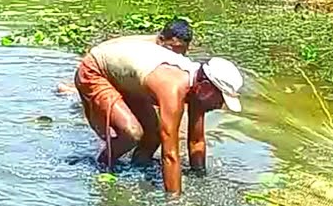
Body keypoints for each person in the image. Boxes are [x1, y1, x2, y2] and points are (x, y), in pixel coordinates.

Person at [75, 35, 244, 194]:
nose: (219, 105)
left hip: (130, 78)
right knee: (132, 133)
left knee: (153, 136)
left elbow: (196, 141)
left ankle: (137, 167)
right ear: (206, 85)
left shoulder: (197, 89)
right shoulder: (173, 88)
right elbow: (170, 154)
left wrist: (200, 178)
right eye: (220, 98)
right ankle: (102, 165)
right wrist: (174, 203)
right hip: (96, 70)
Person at [54, 18, 195, 96]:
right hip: (97, 68)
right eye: (172, 50)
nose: (176, 56)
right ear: (161, 39)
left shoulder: (169, 51)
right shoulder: (144, 50)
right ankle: (72, 90)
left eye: (181, 51)